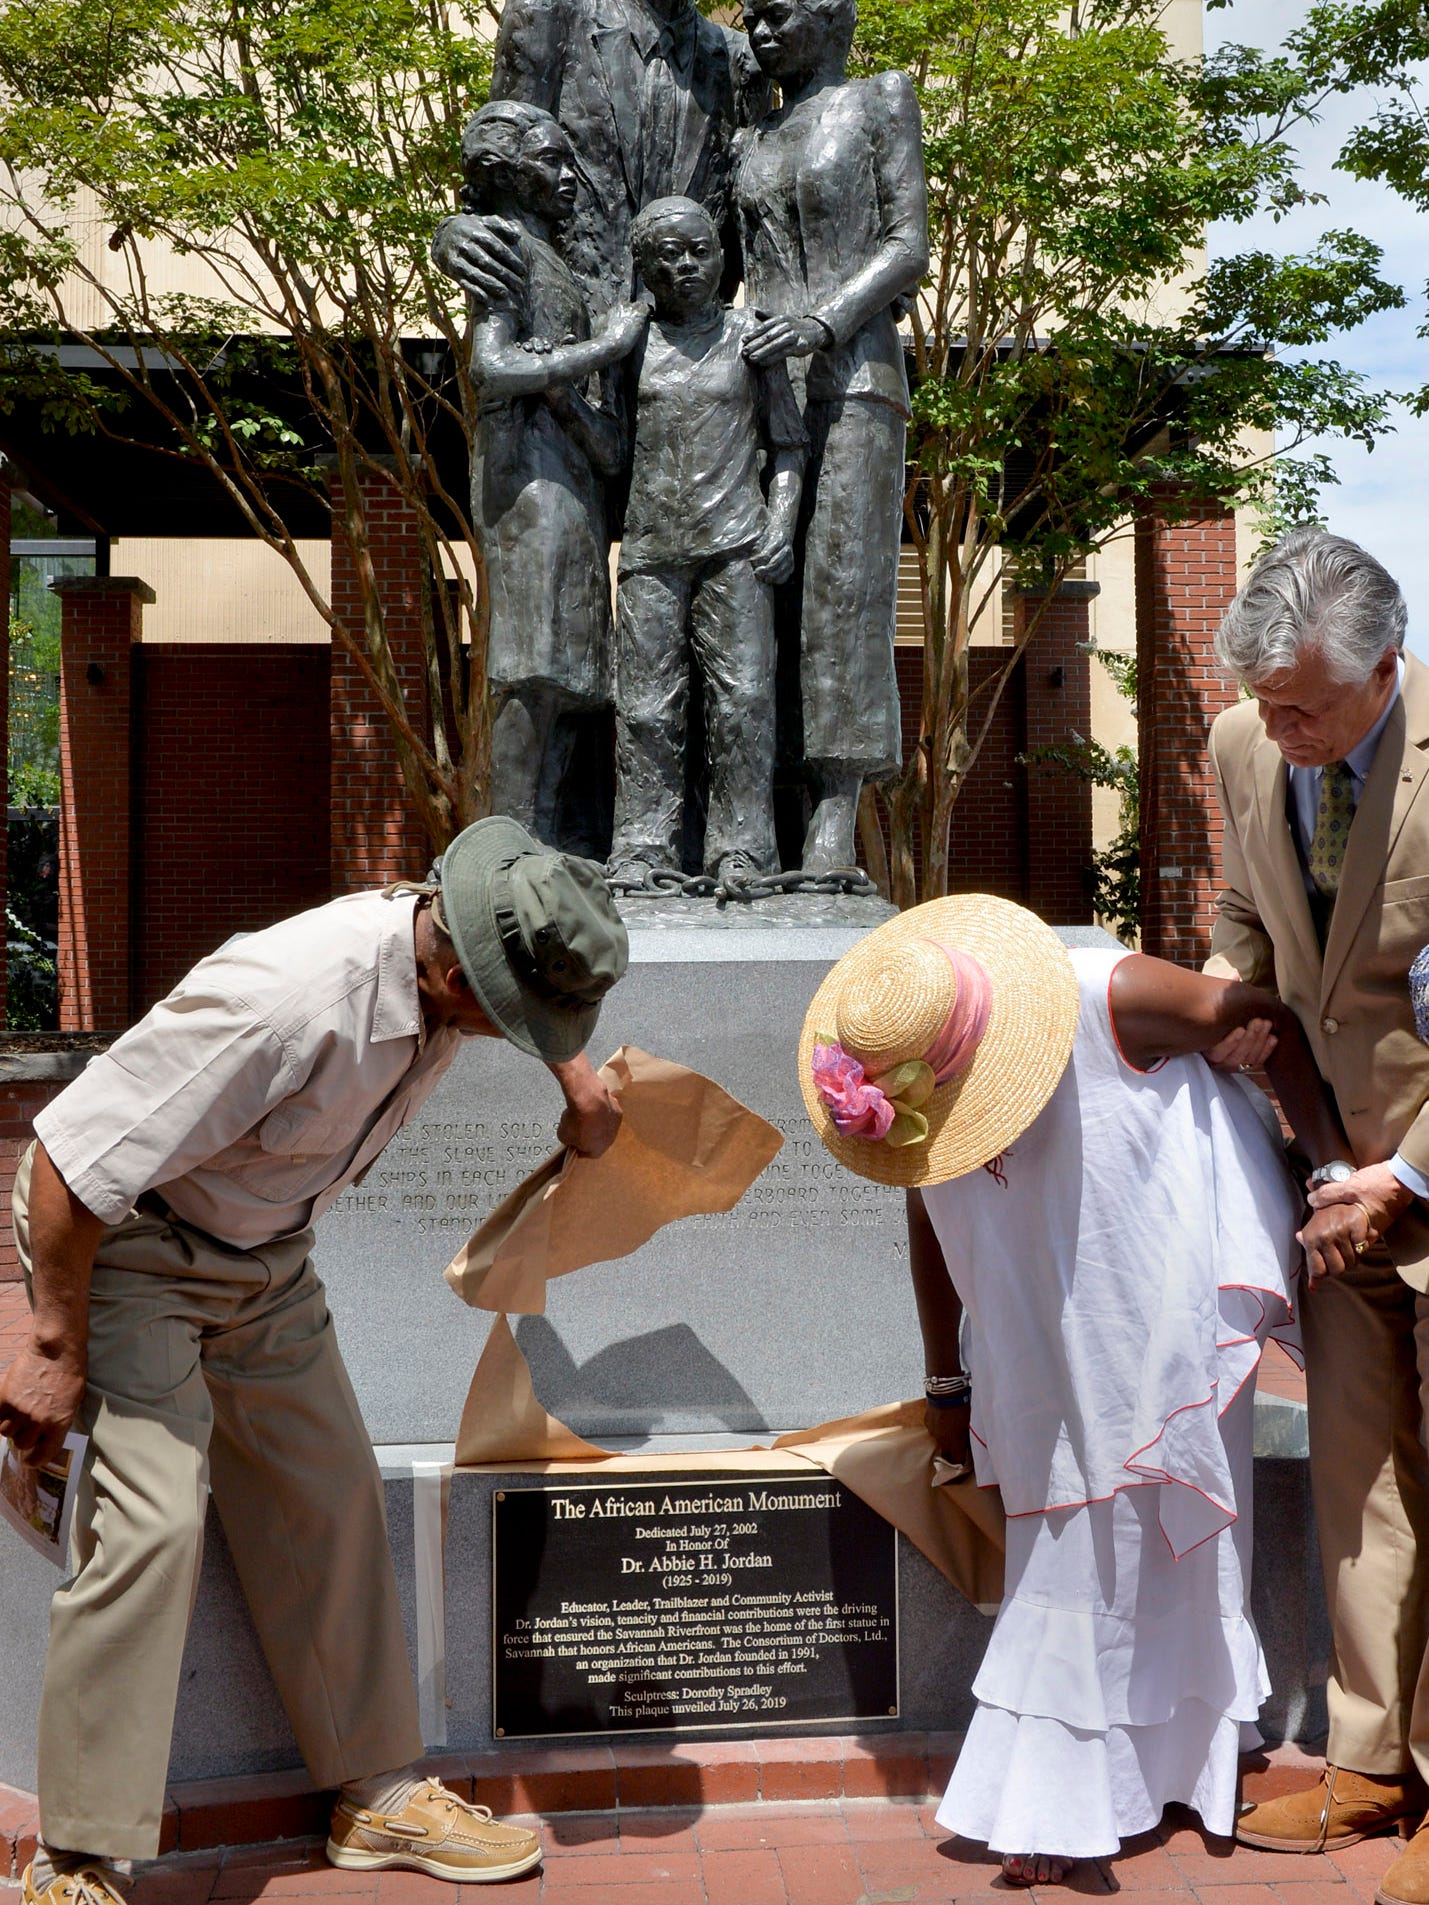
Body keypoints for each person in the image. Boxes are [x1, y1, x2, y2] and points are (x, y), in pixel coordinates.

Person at [0, 817, 629, 1903]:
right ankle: (79, 1853)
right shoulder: (282, 1001)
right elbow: (65, 1159)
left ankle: (376, 1800)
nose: (520, 1038)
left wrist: (573, 1077)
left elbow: (519, 969)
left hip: (264, 1255)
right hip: (128, 1244)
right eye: (517, 1019)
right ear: (450, 971)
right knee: (152, 1518)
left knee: (331, 1493)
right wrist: (51, 1344)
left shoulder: (451, 966)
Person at [798, 894, 1354, 1883]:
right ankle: (1094, 1784)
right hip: (1034, 1337)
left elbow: (1269, 1023)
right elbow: (929, 1225)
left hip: (1169, 1295)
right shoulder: (904, 1072)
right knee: (1069, 1539)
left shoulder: (1113, 990)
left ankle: (1100, 1790)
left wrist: (1331, 1175)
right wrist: (944, 1380)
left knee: (1180, 1535)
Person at [1202, 529, 1429, 1901]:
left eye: (1302, 705)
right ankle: (1365, 1763)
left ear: (1386, 668)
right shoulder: (1247, 743)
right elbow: (1244, 906)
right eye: (1263, 701)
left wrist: (1403, 1179)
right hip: (1331, 1179)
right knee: (1355, 1485)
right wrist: (1233, 993)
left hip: (1412, 1174)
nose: (1275, 729)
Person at [736, 0, 928, 871]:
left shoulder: (880, 100)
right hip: (762, 386)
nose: (761, 33)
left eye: (777, 15)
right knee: (762, 591)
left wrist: (824, 321)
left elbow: (906, 244)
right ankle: (755, 817)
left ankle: (832, 813)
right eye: (751, 21)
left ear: (826, 17)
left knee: (842, 593)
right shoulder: (749, 136)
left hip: (855, 382)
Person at [459, 101, 649, 846]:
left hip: (569, 482)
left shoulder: (555, 258)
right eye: (550, 162)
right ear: (503, 175)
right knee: (530, 671)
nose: (569, 176)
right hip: (527, 486)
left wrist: (588, 419)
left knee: (573, 678)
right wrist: (606, 347)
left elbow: (551, 385)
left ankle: (546, 846)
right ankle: (509, 848)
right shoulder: (502, 244)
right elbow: (492, 365)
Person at [609, 196, 804, 885]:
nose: (685, 266)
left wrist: (779, 528)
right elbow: (611, 448)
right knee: (644, 705)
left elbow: (787, 445)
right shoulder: (630, 344)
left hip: (736, 548)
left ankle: (741, 849)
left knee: (743, 699)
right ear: (643, 268)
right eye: (666, 256)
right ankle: (640, 847)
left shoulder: (750, 335)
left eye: (698, 251)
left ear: (722, 258)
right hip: (651, 550)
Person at [433, 0, 767, 318]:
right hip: (571, 331)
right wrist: (453, 234)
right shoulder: (550, 14)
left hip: (691, 350)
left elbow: (755, 213)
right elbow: (501, 166)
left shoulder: (743, 59)